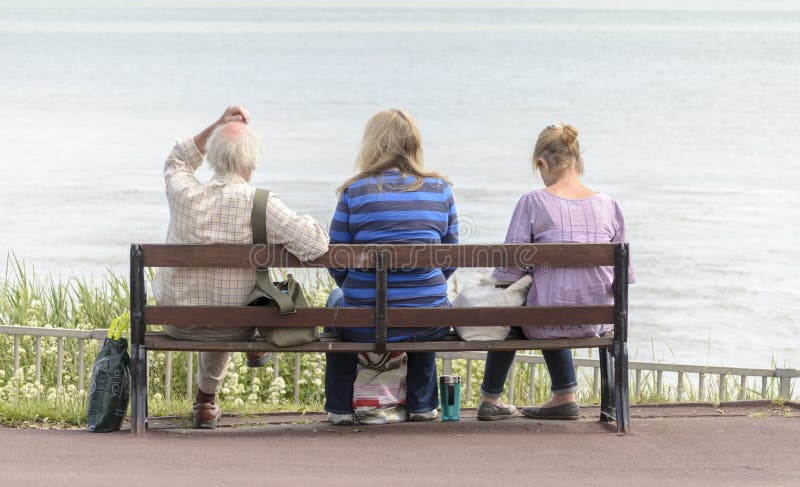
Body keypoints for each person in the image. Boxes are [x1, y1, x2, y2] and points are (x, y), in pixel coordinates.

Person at [152, 106, 329, 428]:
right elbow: (315, 245)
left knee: (217, 299)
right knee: (232, 305)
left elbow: (177, 159)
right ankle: (221, 385)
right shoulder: (260, 203)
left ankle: (206, 403)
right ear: (252, 162)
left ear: (211, 157)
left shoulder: (183, 192)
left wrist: (218, 125)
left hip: (175, 320)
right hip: (236, 324)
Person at [477, 123, 635, 421]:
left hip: (545, 320)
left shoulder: (533, 201)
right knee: (553, 299)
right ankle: (564, 396)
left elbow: (509, 270)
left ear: (542, 163)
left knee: (516, 311)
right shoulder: (609, 204)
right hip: (596, 321)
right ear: (578, 161)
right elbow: (625, 277)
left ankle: (491, 398)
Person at [324, 108, 459, 426]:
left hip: (364, 322)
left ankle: (341, 408)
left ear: (372, 144)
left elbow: (335, 259)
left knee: (334, 303)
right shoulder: (441, 190)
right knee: (428, 304)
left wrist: (357, 289)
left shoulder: (353, 192)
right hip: (428, 322)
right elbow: (450, 258)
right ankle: (423, 405)